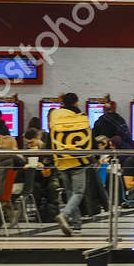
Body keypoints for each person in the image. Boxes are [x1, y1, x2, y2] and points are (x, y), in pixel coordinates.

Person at [48, 92, 94, 235]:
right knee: (78, 192)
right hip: (78, 159)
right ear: (76, 102)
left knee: (69, 192)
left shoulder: (55, 115)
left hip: (61, 159)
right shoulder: (81, 117)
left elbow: (51, 135)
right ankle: (65, 215)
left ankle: (76, 224)